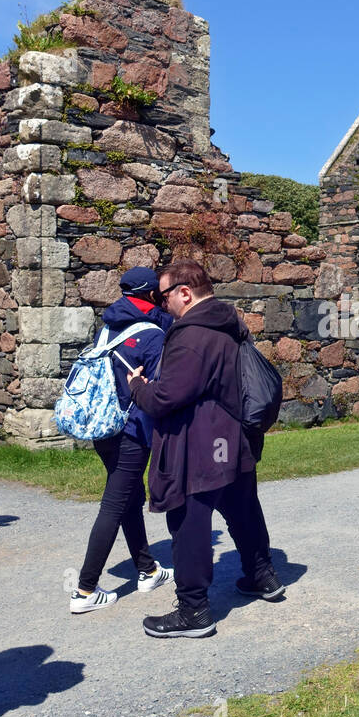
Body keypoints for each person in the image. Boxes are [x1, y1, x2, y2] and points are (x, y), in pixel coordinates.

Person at [127, 260, 282, 638]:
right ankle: (262, 576)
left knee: (188, 521)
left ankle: (194, 610)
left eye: (164, 297)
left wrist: (137, 387)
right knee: (243, 508)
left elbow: (167, 397)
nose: (163, 306)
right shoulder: (228, 323)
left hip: (199, 443)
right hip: (235, 438)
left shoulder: (192, 333)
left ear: (184, 292)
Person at [70, 267, 176, 614]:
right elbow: (159, 389)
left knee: (129, 497)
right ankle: (85, 590)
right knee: (114, 503)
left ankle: (147, 569)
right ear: (150, 296)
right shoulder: (152, 334)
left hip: (103, 427)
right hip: (132, 430)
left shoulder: (108, 327)